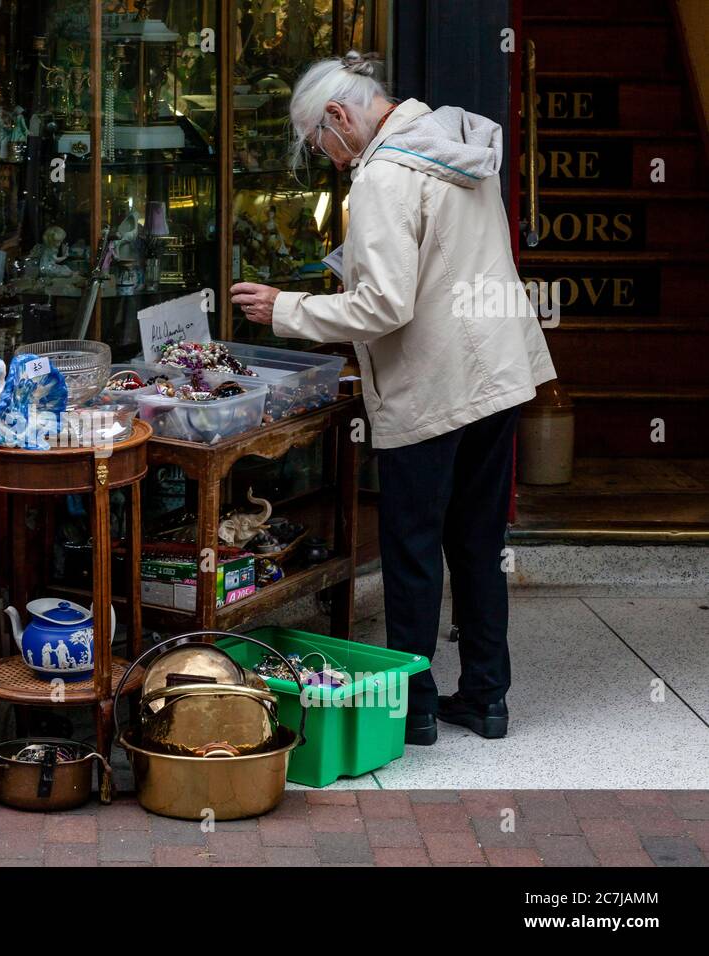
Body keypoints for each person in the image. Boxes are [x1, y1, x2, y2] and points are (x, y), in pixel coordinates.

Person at [230, 52, 556, 745]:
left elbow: (382, 307)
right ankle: (488, 698)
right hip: (496, 374)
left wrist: (286, 308)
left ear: (341, 117)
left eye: (322, 144)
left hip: (434, 385)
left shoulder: (384, 174)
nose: (333, 162)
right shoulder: (456, 143)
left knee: (412, 549)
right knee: (477, 541)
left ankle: (414, 708)